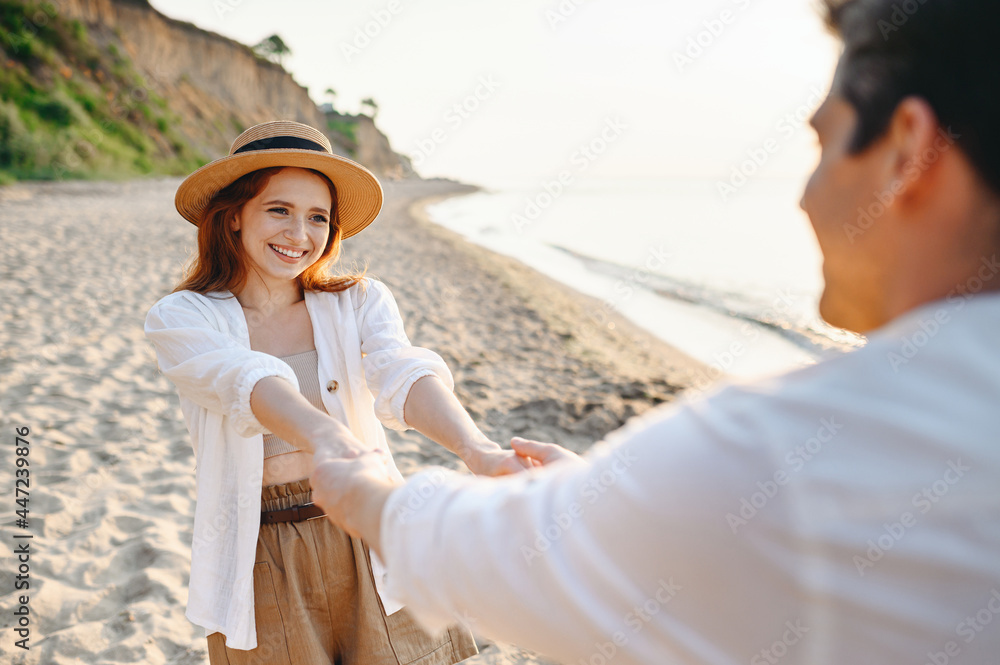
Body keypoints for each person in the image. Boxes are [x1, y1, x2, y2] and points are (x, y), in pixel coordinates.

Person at [307, 1, 1000, 663]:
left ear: (906, 151)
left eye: (822, 143)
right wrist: (602, 499)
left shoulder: (796, 443)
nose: (803, 193)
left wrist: (371, 499)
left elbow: (529, 559)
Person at [144, 120, 530, 664]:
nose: (299, 233)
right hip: (260, 551)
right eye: (279, 210)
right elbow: (245, 380)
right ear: (233, 217)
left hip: (369, 525)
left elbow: (403, 374)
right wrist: (331, 439)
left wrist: (478, 450)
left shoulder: (360, 301)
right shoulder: (183, 316)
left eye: (317, 217)